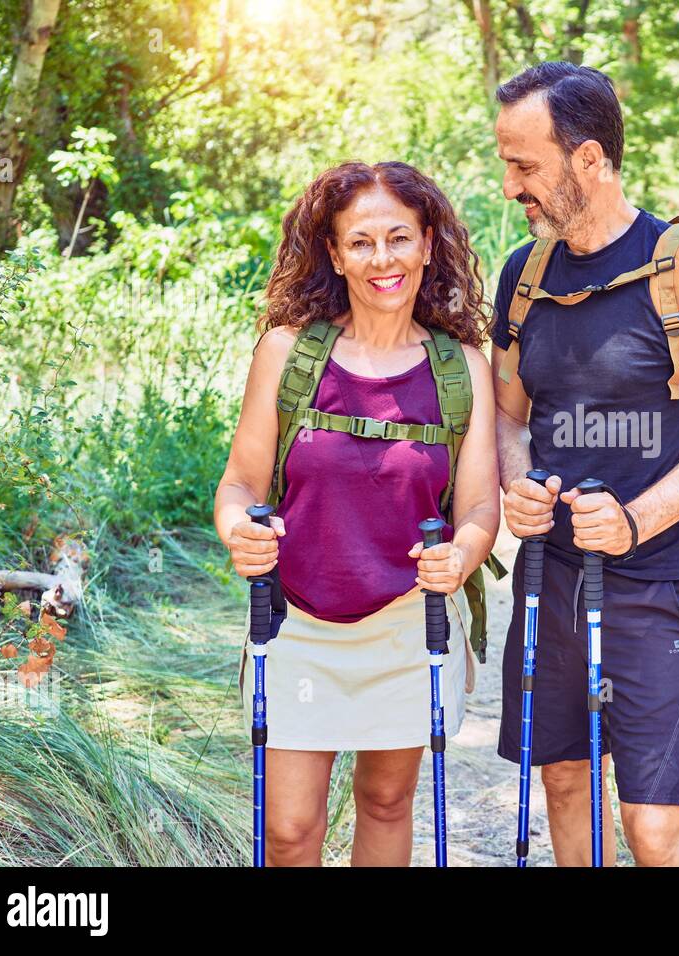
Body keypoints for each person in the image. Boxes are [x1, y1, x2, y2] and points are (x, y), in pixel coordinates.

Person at [490, 62, 679, 866]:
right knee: (566, 788)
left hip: (657, 587)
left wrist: (637, 520)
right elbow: (510, 419)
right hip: (550, 577)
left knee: (652, 825)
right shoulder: (524, 276)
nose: (510, 186)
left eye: (524, 164)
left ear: (588, 160)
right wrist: (515, 484)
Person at [213, 161, 499, 866]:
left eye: (399, 238)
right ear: (335, 254)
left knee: (385, 803)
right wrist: (238, 535)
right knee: (288, 831)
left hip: (407, 624)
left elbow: (479, 506)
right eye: (361, 242)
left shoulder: (461, 369)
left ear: (429, 244)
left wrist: (460, 557)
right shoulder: (288, 355)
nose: (383, 259)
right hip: (296, 625)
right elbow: (239, 486)